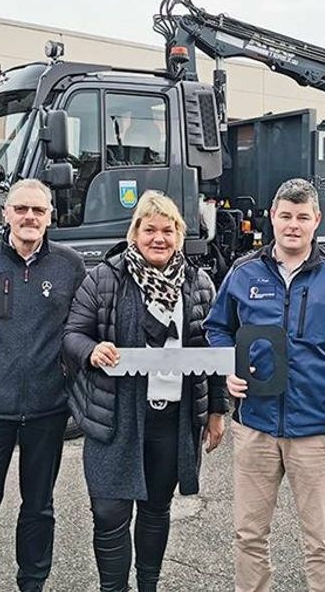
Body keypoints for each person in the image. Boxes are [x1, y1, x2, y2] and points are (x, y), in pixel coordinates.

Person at [204, 178, 325, 592]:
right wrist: (229, 366)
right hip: (256, 428)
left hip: (316, 431)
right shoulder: (245, 271)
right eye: (286, 216)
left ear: (317, 220)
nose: (293, 225)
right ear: (272, 217)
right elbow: (216, 328)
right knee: (249, 536)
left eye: (303, 217)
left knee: (321, 540)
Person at [63, 190, 227, 592]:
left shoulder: (199, 284)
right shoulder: (105, 279)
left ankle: (148, 585)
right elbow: (72, 335)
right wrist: (92, 349)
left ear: (180, 234)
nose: (159, 238)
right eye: (149, 229)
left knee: (156, 510)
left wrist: (218, 412)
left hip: (171, 421)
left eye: (168, 230)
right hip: (115, 418)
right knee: (109, 512)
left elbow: (215, 350)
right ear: (134, 232)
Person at [0, 179, 86, 592]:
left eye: (38, 211)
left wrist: (73, 392)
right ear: (5, 213)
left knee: (38, 509)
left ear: (49, 217)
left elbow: (80, 331)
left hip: (47, 408)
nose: (30, 217)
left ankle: (33, 583)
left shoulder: (69, 265)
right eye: (21, 209)